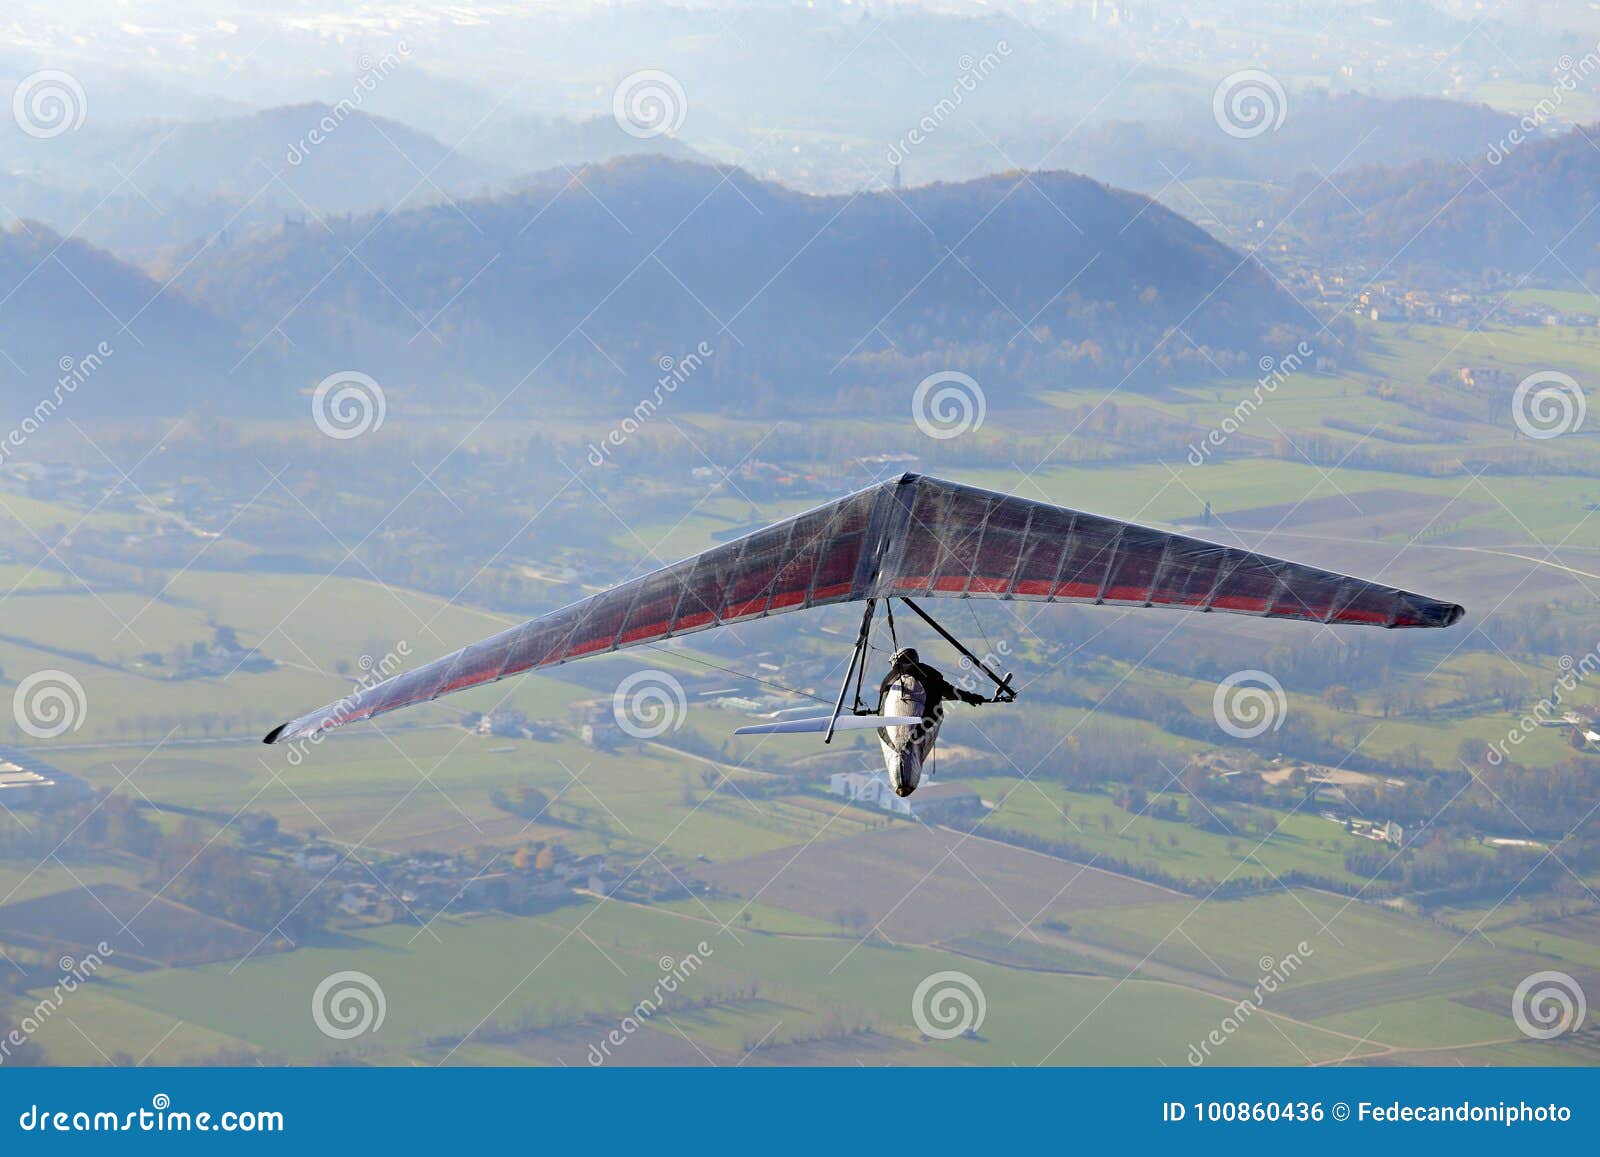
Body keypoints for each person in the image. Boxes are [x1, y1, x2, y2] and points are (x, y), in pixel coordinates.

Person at [876, 647, 987, 796]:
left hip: (890, 729)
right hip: (923, 722)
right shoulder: (926, 672)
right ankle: (906, 780)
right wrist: (970, 697)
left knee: (902, 749)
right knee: (913, 744)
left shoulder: (887, 680)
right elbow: (948, 691)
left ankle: (902, 780)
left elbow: (881, 709)